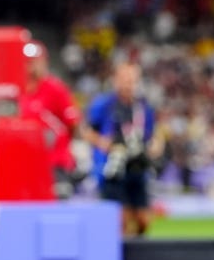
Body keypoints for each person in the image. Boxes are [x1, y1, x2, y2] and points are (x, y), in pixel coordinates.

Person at [82, 60, 160, 237]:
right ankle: (120, 252)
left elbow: (152, 134)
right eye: (125, 79)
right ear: (116, 80)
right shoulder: (104, 104)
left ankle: (138, 251)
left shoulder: (143, 106)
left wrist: (155, 146)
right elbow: (87, 131)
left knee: (143, 220)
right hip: (113, 169)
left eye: (132, 80)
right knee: (120, 220)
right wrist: (104, 143)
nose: (128, 84)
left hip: (137, 167)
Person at [17, 41, 82, 198]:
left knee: (57, 204)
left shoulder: (55, 88)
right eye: (27, 62)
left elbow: (73, 123)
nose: (31, 67)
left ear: (44, 62)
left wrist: (60, 145)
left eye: (35, 62)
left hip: (55, 163)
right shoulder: (18, 91)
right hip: (28, 164)